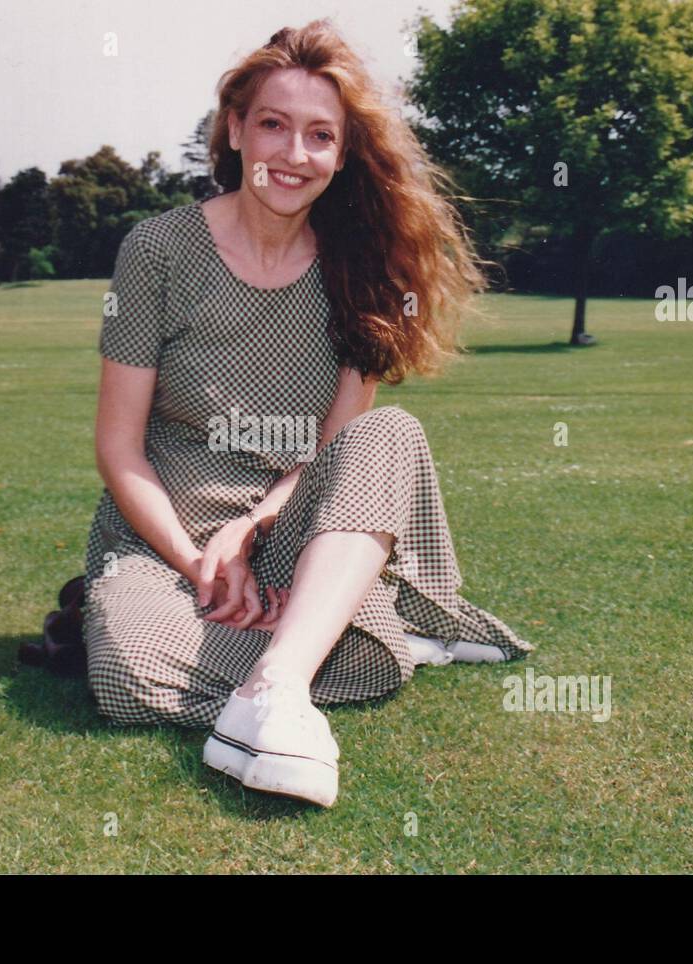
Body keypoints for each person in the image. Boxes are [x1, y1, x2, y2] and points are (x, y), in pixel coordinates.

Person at [82, 19, 534, 808]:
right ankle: (338, 642)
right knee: (128, 676)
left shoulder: (367, 264)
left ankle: (281, 677)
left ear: (344, 152)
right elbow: (120, 450)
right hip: (165, 549)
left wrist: (254, 529)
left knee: (388, 432)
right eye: (274, 126)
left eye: (320, 135)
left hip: (298, 537)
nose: (294, 155)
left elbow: (338, 449)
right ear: (235, 129)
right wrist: (201, 564)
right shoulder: (156, 250)